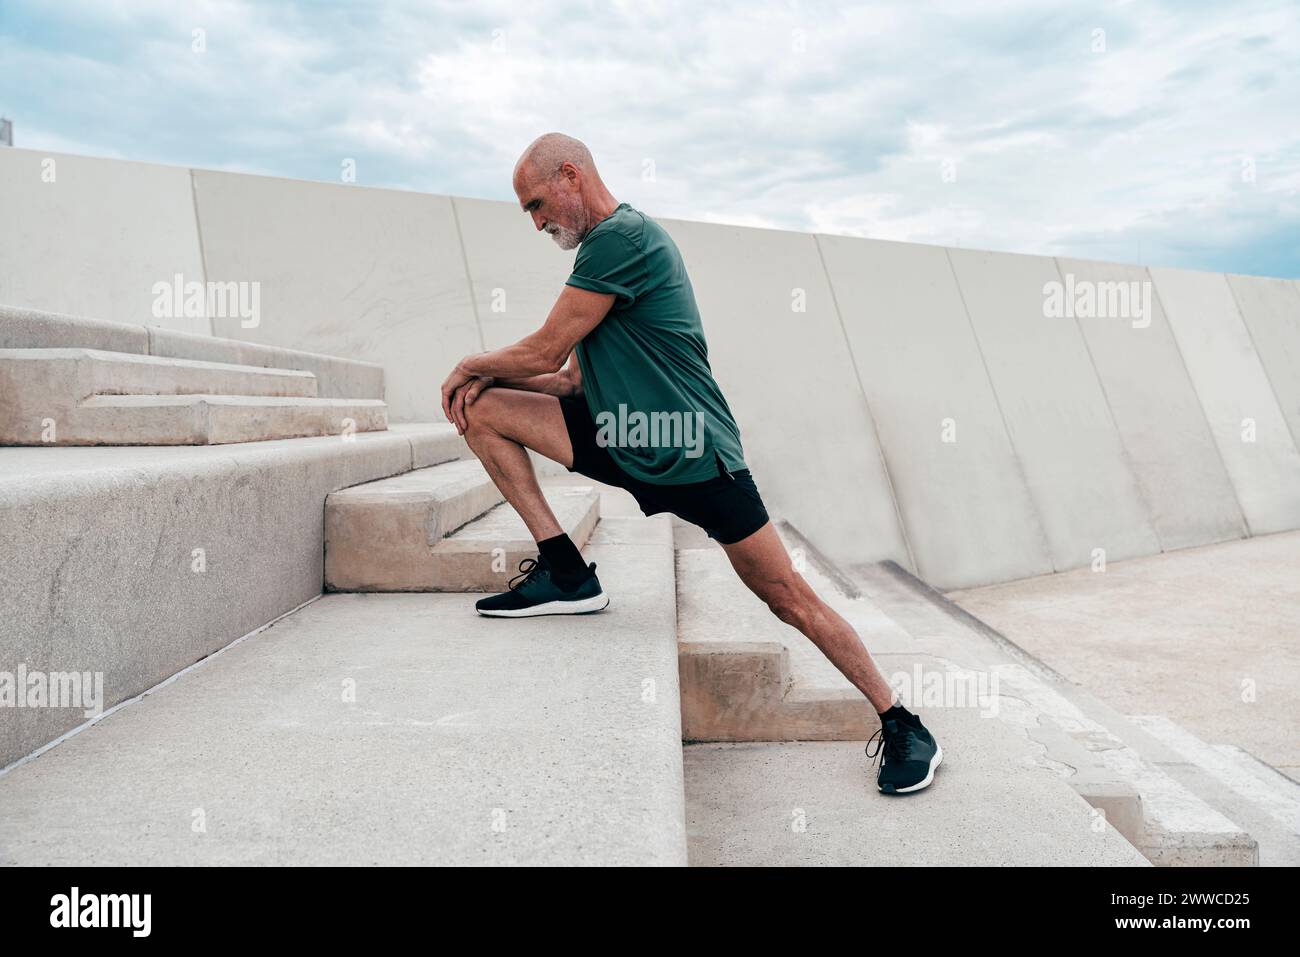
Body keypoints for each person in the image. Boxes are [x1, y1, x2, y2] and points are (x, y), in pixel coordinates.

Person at [440, 133, 942, 795]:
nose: (538, 222)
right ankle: (565, 569)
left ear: (571, 174)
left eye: (538, 204)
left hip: (696, 453)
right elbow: (566, 379)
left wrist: (470, 365)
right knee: (484, 410)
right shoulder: (598, 256)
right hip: (624, 437)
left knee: (785, 594)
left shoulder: (623, 238)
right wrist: (483, 387)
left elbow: (544, 347)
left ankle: (902, 721)